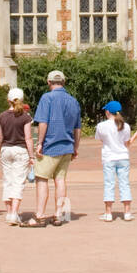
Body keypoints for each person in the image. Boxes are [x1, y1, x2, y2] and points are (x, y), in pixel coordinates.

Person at [28, 69, 81, 227]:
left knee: (42, 179)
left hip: (51, 145)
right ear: (63, 82)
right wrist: (75, 147)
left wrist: (39, 143)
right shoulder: (73, 101)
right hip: (67, 146)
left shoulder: (47, 98)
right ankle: (59, 214)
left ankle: (40, 215)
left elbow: (43, 122)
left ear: (48, 82)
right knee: (60, 180)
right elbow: (77, 128)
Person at [97, 101, 137, 221]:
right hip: (123, 158)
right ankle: (127, 212)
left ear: (107, 112)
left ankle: (108, 213)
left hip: (108, 158)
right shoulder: (125, 126)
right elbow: (127, 144)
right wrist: (135, 136)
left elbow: (102, 140)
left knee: (109, 184)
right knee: (124, 184)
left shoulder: (101, 126)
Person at [0, 88, 34, 225]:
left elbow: (0, 137)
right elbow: (28, 138)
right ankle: (14, 213)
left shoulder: (1, 116)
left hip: (6, 149)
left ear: (8, 100)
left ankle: (8, 212)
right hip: (21, 150)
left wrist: (1, 149)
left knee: (8, 181)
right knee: (18, 182)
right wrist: (32, 156)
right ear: (22, 100)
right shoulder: (25, 117)